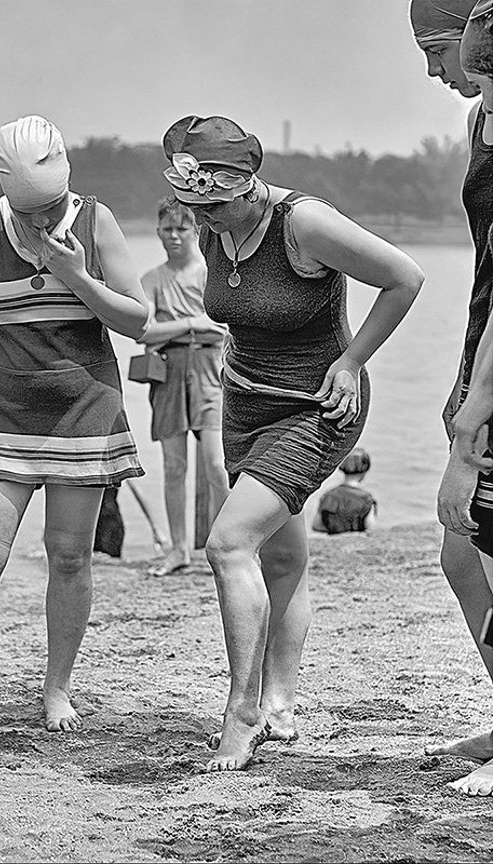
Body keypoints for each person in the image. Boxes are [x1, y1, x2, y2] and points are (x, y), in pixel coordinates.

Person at [160, 115, 423, 772]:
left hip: (318, 408)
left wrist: (353, 362)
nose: (203, 218)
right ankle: (279, 704)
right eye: (194, 206)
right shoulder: (215, 225)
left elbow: (404, 278)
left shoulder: (303, 223)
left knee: (227, 544)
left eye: (213, 205)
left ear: (248, 186)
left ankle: (242, 712)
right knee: (280, 559)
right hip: (245, 406)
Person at [0, 115, 150, 746]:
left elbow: (138, 321)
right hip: (4, 412)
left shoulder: (96, 221)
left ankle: (56, 688)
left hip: (84, 411)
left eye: (50, 208)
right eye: (29, 211)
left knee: (69, 557)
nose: (40, 221)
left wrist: (78, 276)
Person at [428, 0, 493, 797]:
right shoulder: (480, 122)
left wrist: (472, 416)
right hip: (481, 345)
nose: (433, 71)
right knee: (461, 553)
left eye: (438, 49)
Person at [135, 197, 229, 576]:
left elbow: (224, 328)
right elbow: (144, 331)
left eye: (181, 228)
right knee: (174, 466)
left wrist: (180, 327)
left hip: (210, 370)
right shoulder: (152, 279)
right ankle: (178, 549)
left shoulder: (211, 274)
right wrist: (192, 323)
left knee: (218, 465)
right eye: (167, 229)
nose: (174, 236)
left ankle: (227, 545)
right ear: (158, 232)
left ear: (195, 230)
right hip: (168, 371)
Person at [312, 447, 378, 534]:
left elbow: (317, 525)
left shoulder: (329, 495)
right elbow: (370, 527)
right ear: (365, 469)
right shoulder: (366, 499)